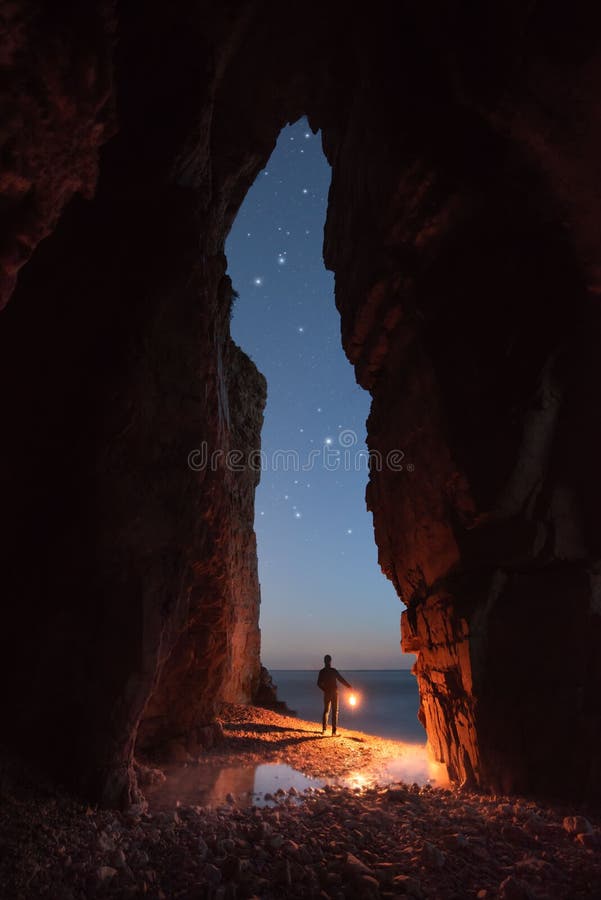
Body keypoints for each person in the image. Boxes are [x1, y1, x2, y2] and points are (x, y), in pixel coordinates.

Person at [317, 654, 352, 735]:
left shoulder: (322, 672)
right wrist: (349, 686)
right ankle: (334, 732)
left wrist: (324, 690)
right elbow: (341, 679)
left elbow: (318, 683)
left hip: (327, 693)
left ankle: (324, 730)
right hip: (334, 693)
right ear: (330, 661)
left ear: (324, 661)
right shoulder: (333, 671)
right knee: (334, 712)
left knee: (326, 711)